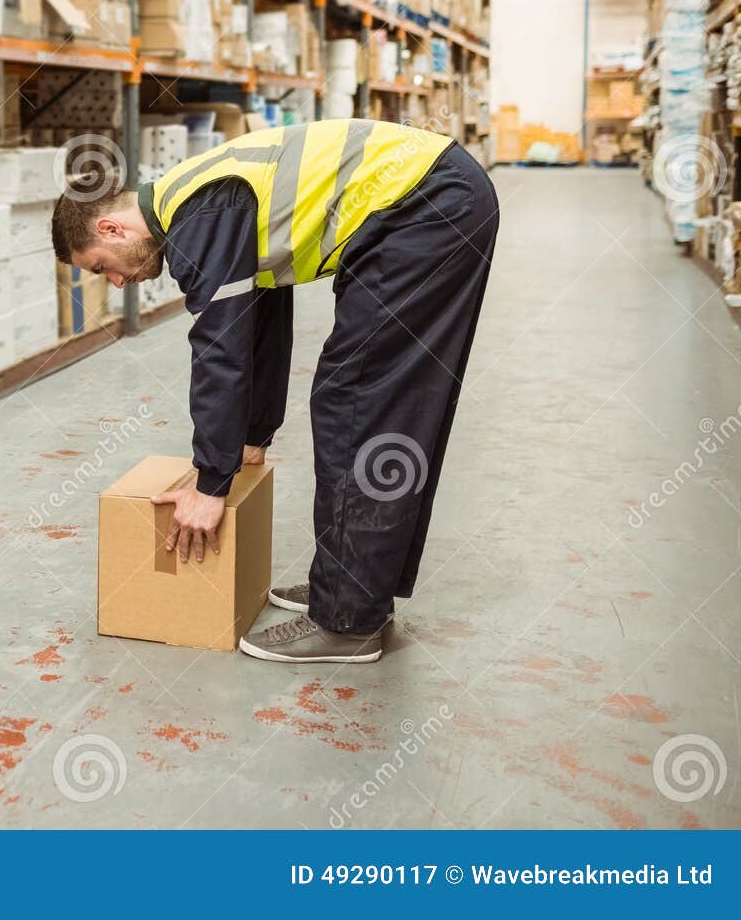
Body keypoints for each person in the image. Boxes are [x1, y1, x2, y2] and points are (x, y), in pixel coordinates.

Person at [51, 119, 499, 663]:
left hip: (423, 206)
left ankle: (347, 622)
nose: (118, 283)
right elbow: (262, 318)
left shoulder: (198, 217)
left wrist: (212, 484)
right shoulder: (199, 206)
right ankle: (354, 592)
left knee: (358, 402)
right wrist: (251, 437)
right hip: (425, 202)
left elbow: (220, 351)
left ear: (112, 228)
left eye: (103, 268)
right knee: (358, 398)